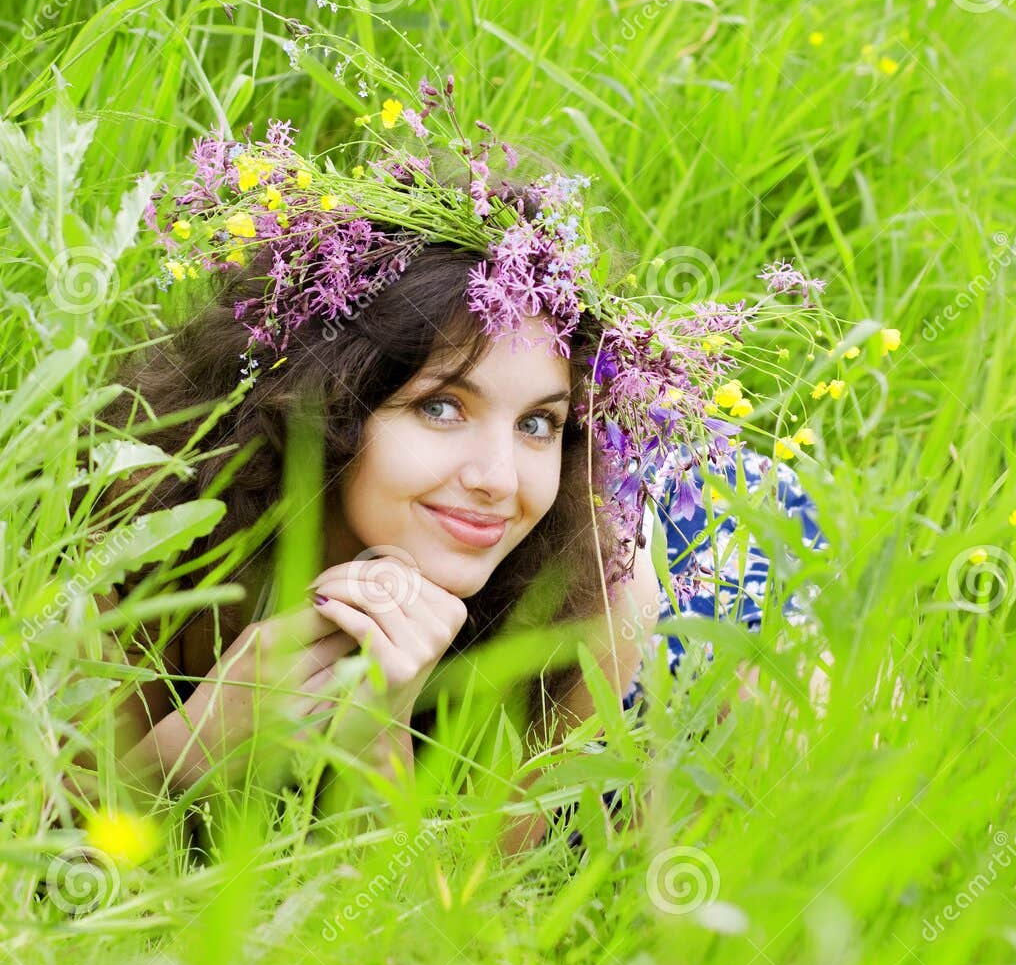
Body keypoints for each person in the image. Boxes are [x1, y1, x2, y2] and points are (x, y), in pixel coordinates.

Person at [73, 79, 831, 852]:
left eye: (539, 421)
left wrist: (380, 738)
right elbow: (45, 844)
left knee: (816, 725)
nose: (499, 478)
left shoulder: (591, 596)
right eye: (441, 407)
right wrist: (203, 738)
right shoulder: (145, 534)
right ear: (323, 400)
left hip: (690, 553)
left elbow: (464, 922)